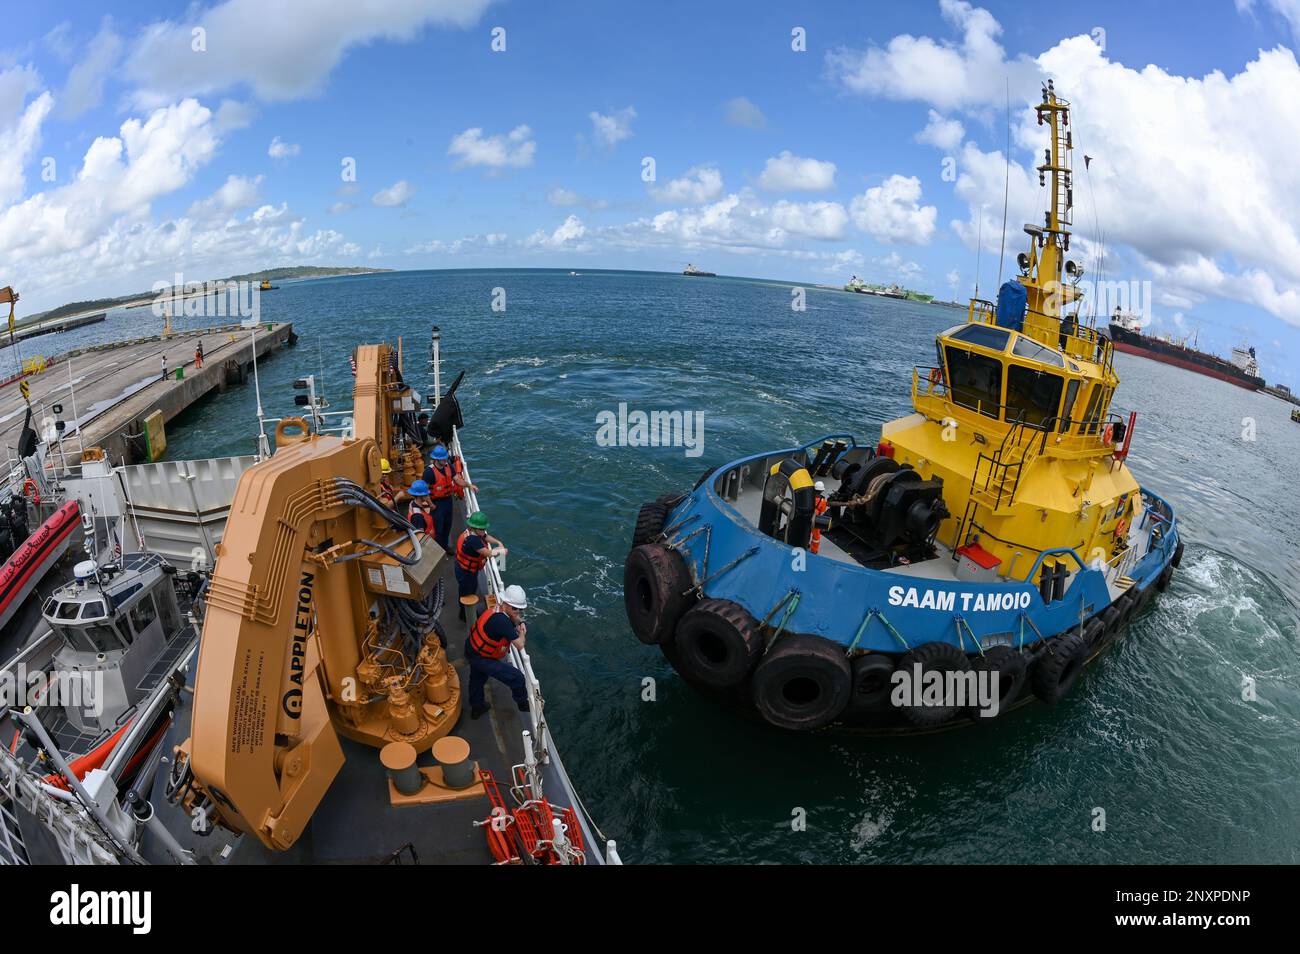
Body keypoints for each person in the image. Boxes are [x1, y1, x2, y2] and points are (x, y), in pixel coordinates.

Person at [465, 584, 530, 719]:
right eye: (514, 608)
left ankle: (477, 708)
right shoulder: (502, 622)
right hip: (481, 657)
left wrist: (520, 622)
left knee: (477, 679)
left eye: (520, 609)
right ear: (505, 603)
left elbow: (514, 617)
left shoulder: (498, 610)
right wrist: (523, 631)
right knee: (517, 678)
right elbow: (519, 644)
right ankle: (522, 704)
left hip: (473, 649)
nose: (517, 611)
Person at [423, 444, 477, 551]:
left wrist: (469, 485)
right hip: (437, 503)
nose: (445, 460)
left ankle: (445, 546)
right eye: (443, 458)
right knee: (438, 528)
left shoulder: (448, 467)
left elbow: (457, 479)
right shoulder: (429, 472)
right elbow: (424, 491)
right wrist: (431, 504)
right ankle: (438, 550)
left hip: (448, 501)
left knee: (448, 525)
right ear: (437, 459)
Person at [455, 511, 507, 619]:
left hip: (462, 567)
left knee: (468, 590)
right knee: (467, 593)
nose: (484, 531)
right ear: (474, 528)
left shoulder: (471, 532)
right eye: (482, 529)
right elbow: (488, 553)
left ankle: (465, 612)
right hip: (466, 573)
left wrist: (498, 543)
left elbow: (486, 537)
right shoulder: (473, 540)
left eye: (484, 528)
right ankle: (464, 616)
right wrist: (501, 552)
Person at [810, 480, 829, 555]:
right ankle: (814, 550)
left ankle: (804, 544)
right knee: (816, 536)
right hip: (816, 519)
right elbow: (822, 511)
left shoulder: (810, 497)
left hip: (808, 516)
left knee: (806, 532)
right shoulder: (823, 500)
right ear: (821, 491)